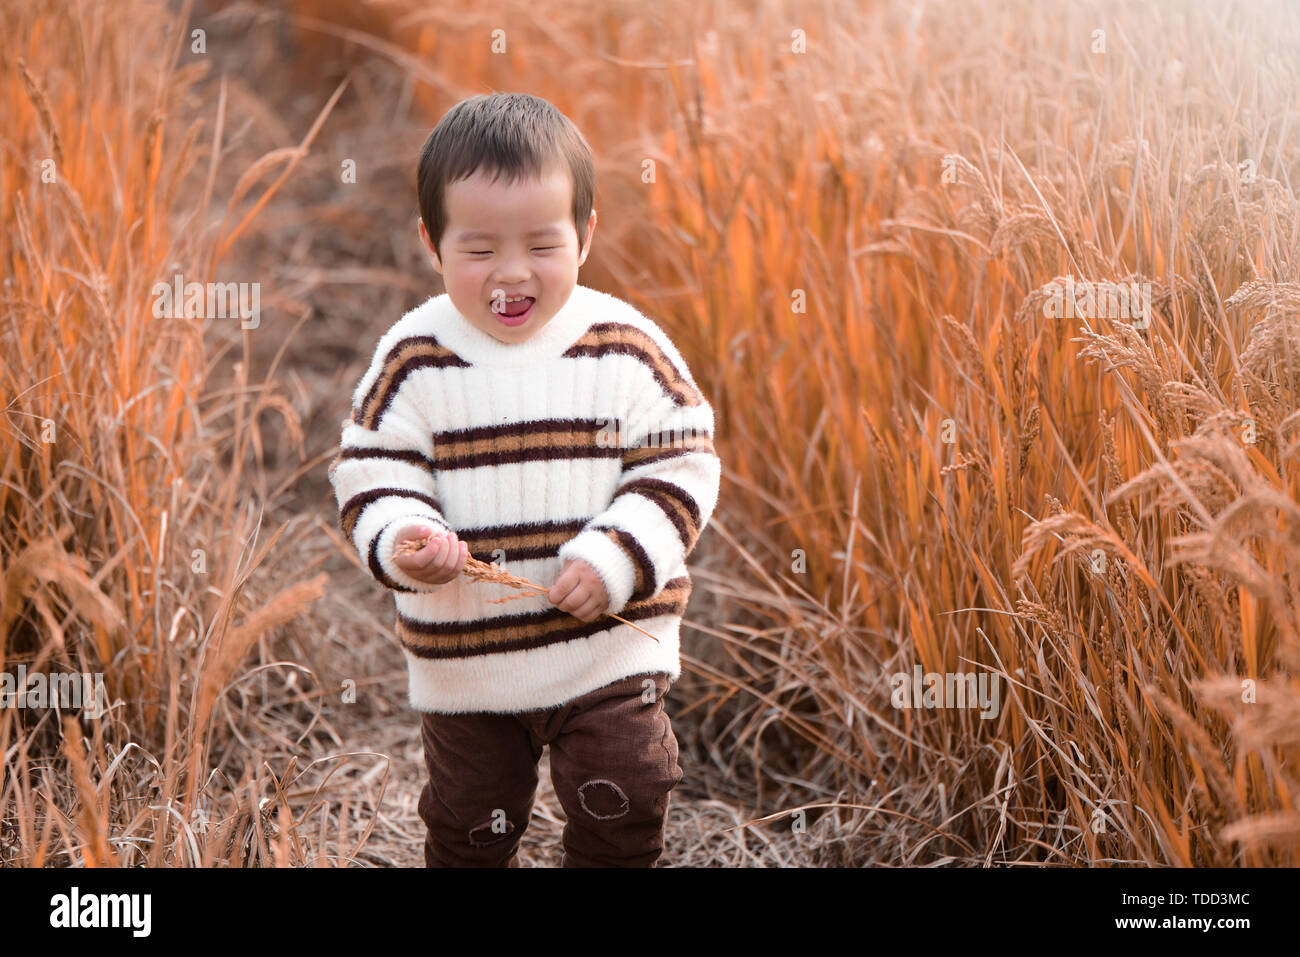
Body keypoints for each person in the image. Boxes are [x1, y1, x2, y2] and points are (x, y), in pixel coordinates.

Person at [327, 92, 722, 867]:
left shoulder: (628, 348)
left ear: (585, 235)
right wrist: (404, 537)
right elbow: (372, 469)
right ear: (430, 243)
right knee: (472, 824)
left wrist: (617, 556)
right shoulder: (414, 359)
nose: (512, 273)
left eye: (542, 244)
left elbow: (681, 462)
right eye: (478, 250)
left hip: (606, 650)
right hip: (470, 666)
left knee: (628, 795)